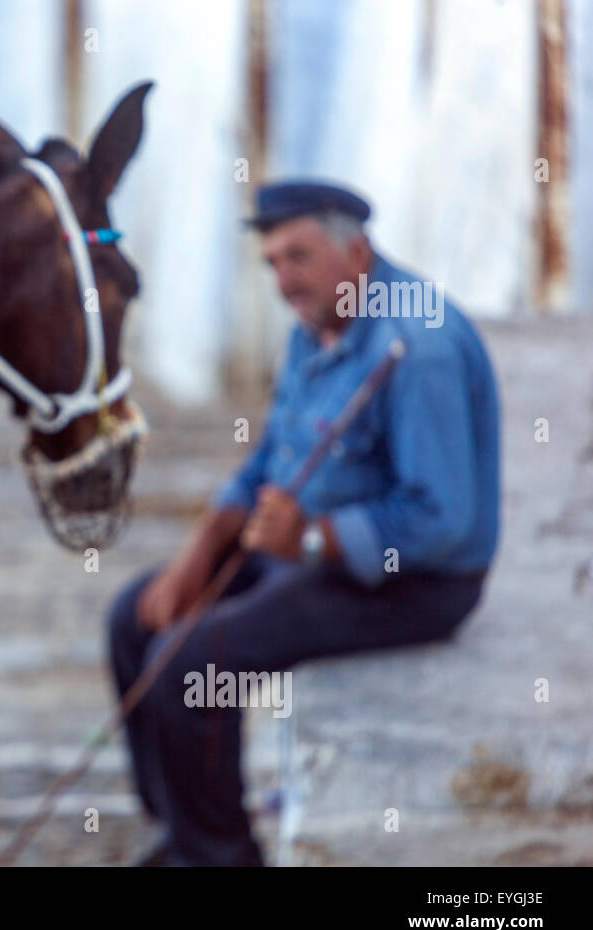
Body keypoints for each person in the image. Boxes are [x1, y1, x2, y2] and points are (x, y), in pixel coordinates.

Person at [107, 180, 500, 866]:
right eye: (273, 264)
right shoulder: (314, 326)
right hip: (304, 552)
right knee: (134, 619)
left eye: (300, 257)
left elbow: (443, 519)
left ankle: (221, 856)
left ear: (356, 249)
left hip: (408, 582)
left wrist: (314, 539)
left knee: (194, 663)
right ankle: (185, 829)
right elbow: (274, 457)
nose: (285, 280)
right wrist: (203, 547)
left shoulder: (417, 345)